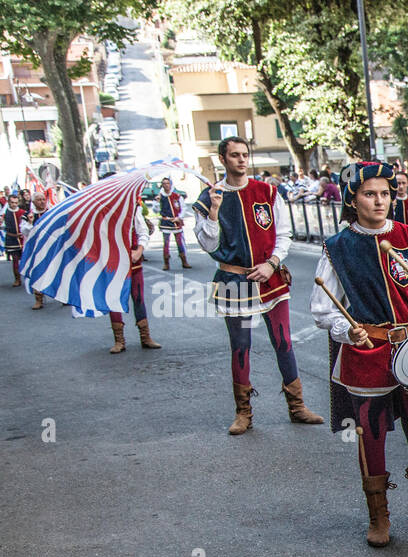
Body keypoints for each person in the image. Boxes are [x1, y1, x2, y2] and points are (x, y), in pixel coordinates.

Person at [311, 161, 408, 546]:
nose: (379, 202)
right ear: (352, 199)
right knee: (370, 433)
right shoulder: (337, 247)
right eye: (369, 194)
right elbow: (322, 309)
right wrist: (347, 329)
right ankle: (379, 517)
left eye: (385, 194)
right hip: (368, 351)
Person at [193, 135, 325, 434]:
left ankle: (297, 406)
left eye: (245, 154)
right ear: (223, 159)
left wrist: (272, 263)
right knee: (240, 347)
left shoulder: (266, 191)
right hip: (233, 280)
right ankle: (244, 413)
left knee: (284, 342)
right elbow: (207, 243)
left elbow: (284, 233)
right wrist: (214, 210)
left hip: (271, 279)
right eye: (235, 155)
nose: (241, 160)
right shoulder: (207, 198)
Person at [107, 204, 162, 353]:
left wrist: (139, 250)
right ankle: (119, 340)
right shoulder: (102, 209)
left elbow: (143, 231)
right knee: (114, 300)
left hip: (133, 262)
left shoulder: (133, 207)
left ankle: (145, 337)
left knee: (138, 298)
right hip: (113, 264)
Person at [18, 190, 51, 309]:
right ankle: (38, 299)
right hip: (35, 249)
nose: (42, 202)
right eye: (39, 200)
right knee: (37, 272)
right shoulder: (27, 215)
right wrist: (31, 223)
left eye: (43, 199)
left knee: (55, 269)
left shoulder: (51, 212)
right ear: (33, 201)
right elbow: (24, 231)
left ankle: (62, 297)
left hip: (50, 246)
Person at [156, 177, 191, 271]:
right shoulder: (160, 197)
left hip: (176, 221)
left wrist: (179, 218)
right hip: (165, 222)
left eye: (167, 183)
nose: (166, 185)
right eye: (164, 183)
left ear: (170, 184)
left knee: (179, 242)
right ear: (162, 185)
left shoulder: (177, 196)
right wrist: (157, 202)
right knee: (166, 243)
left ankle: (184, 260)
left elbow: (183, 208)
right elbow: (156, 210)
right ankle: (166, 263)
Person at [4, 191, 24, 286]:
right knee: (15, 259)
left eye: (16, 203)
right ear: (8, 202)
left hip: (23, 239)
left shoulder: (22, 212)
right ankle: (17, 279)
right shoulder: (5, 213)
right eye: (12, 202)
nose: (14, 204)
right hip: (11, 239)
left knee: (27, 259)